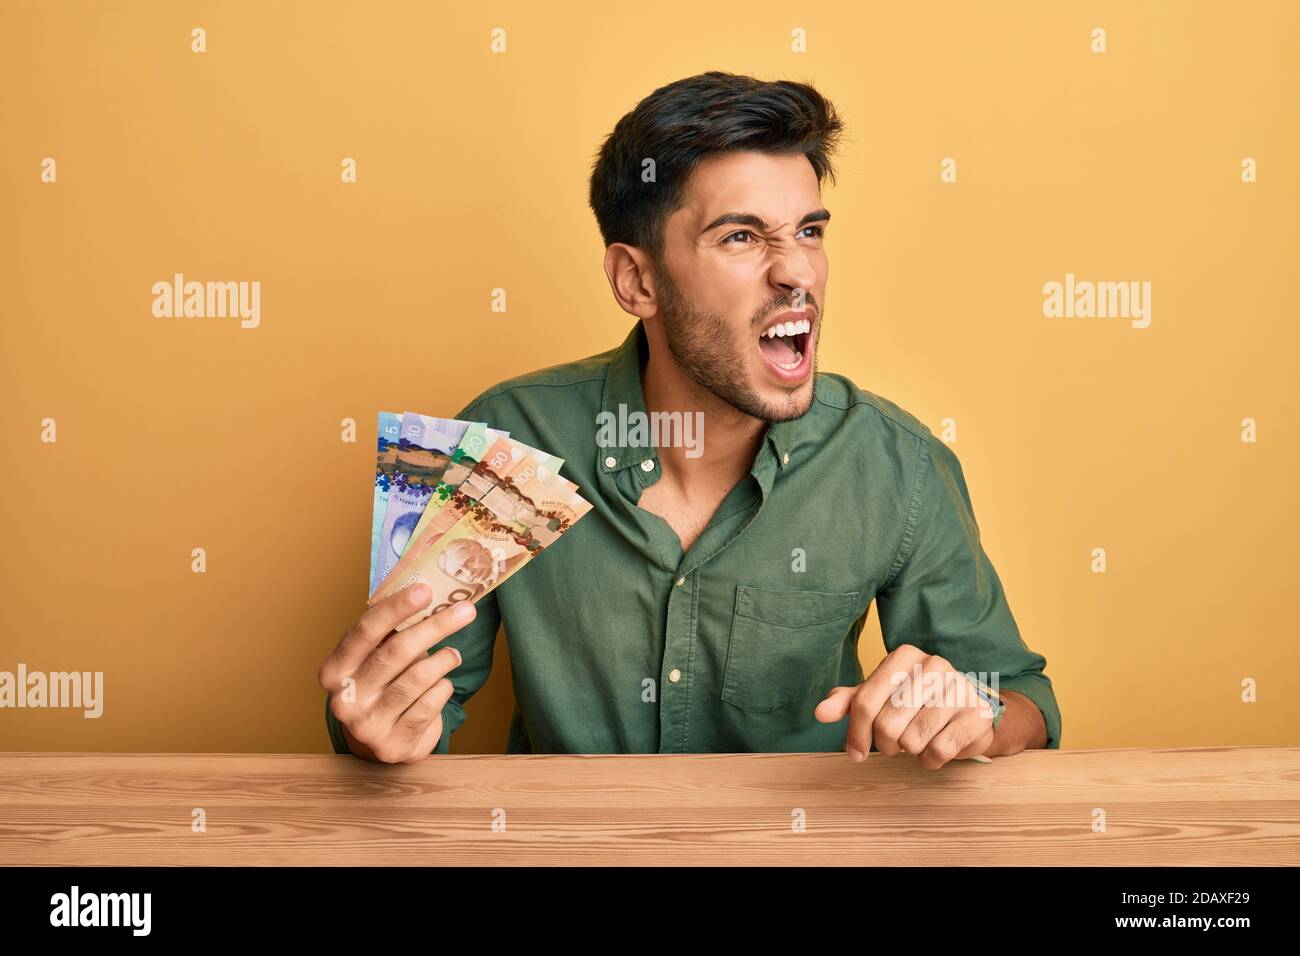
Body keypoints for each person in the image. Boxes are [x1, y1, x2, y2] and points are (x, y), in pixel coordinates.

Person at [317, 71, 1061, 766]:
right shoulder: (501, 447)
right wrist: (375, 725)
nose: (797, 272)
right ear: (636, 280)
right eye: (741, 237)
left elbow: (1025, 700)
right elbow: (400, 706)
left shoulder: (896, 462)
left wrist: (974, 714)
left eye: (809, 231)